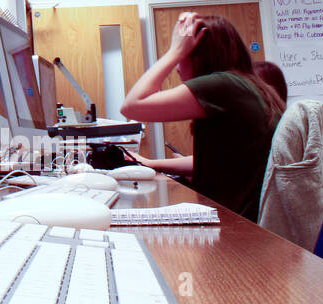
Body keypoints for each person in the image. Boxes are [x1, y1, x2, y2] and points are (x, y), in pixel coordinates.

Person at [121, 13, 283, 221]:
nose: (178, 68)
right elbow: (217, 161)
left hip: (240, 227)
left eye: (183, 57)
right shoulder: (251, 86)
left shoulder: (224, 86)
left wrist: (174, 51)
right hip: (250, 222)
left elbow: (131, 107)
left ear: (199, 56)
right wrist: (151, 163)